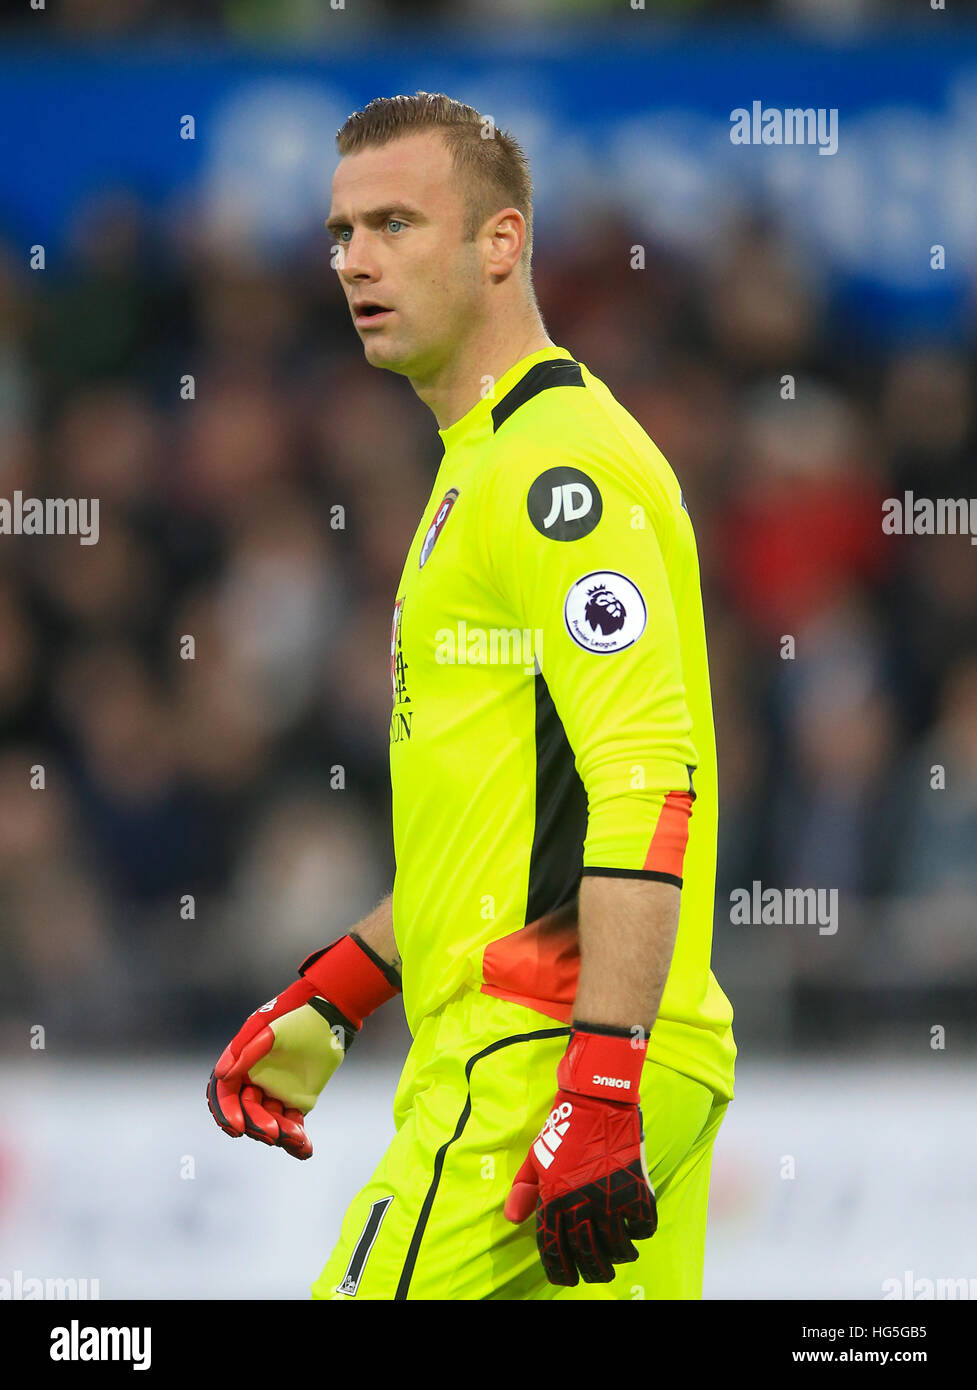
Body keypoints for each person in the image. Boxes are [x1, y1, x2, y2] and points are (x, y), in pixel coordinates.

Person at [207, 91, 736, 1301]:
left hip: (538, 1061)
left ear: (501, 242)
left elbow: (648, 776)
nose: (356, 261)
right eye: (341, 233)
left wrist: (594, 1082)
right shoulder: (487, 462)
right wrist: (343, 983)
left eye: (394, 222)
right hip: (622, 1049)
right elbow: (503, 830)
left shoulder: (552, 470)